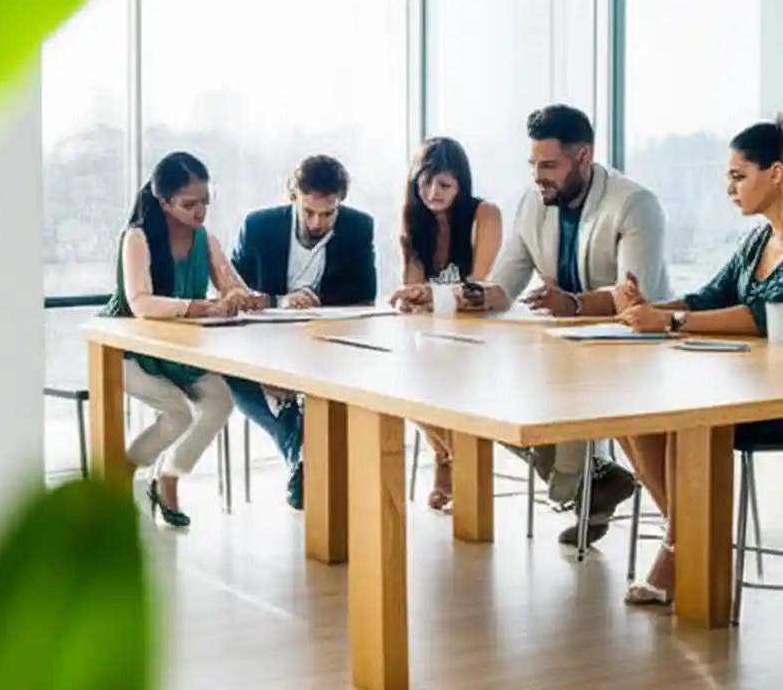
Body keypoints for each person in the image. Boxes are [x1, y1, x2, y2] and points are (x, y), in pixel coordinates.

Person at [391, 104, 672, 547]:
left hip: (630, 350)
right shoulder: (533, 203)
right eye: (533, 164)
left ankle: (593, 485)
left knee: (512, 392)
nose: (538, 175)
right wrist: (440, 296)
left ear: (583, 157)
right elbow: (500, 288)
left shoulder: (635, 204)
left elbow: (635, 296)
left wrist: (575, 303)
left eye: (549, 165)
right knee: (477, 393)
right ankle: (590, 481)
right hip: (563, 348)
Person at [611, 117, 783, 605]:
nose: (729, 187)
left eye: (738, 175)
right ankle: (689, 541)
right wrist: (647, 309)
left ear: (777, 173)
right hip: (744, 384)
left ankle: (681, 551)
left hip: (773, 399)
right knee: (636, 413)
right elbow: (709, 297)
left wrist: (668, 325)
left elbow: (764, 317)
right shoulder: (756, 241)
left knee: (684, 415)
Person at [101, 151, 266, 528]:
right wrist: (200, 306)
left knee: (221, 401)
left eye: (205, 201)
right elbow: (140, 303)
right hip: (127, 350)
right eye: (189, 204)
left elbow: (232, 286)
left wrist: (247, 298)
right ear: (164, 203)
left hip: (178, 350)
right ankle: (122, 474)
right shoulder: (138, 238)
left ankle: (170, 477)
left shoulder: (205, 240)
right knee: (177, 413)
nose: (200, 211)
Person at [226, 155, 377, 509]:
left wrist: (317, 307)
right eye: (309, 211)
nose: (317, 222)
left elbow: (365, 301)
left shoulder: (358, 227)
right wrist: (281, 301)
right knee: (227, 373)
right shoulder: (259, 225)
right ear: (292, 195)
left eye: (328, 214)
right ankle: (301, 446)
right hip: (264, 338)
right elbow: (231, 293)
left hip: (329, 341)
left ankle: (302, 452)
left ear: (341, 202)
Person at [399, 137, 502, 510]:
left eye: (444, 185)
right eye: (425, 182)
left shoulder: (483, 214)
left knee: (438, 381)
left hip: (481, 330)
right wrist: (412, 298)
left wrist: (429, 299)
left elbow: (478, 284)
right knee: (402, 383)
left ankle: (452, 462)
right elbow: (413, 286)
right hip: (432, 332)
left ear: (461, 184)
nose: (432, 193)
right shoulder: (413, 219)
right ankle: (451, 456)